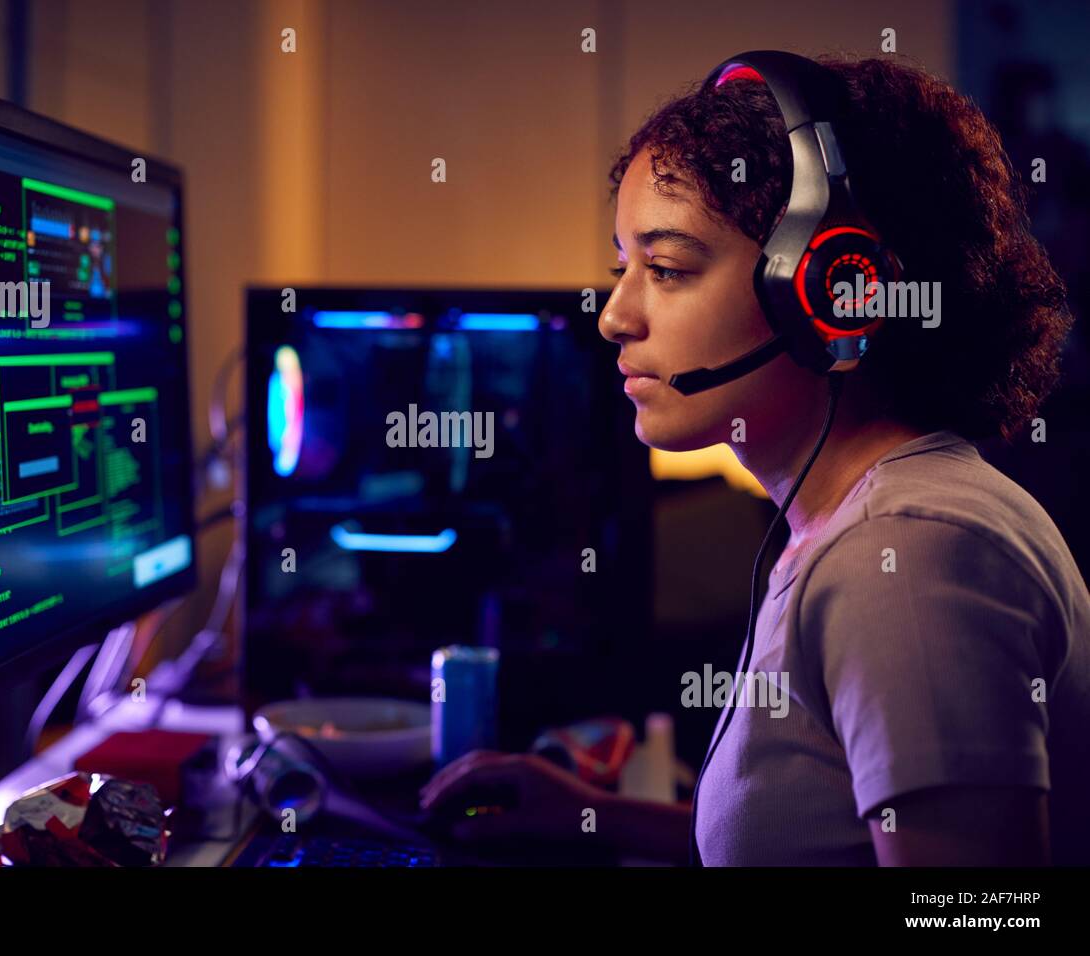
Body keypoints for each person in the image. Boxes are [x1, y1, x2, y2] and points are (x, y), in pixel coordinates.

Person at [421, 53, 1090, 866]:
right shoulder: (853, 524)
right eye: (620, 267)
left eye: (666, 270)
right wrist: (598, 816)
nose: (615, 316)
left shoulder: (910, 553)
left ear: (829, 290)